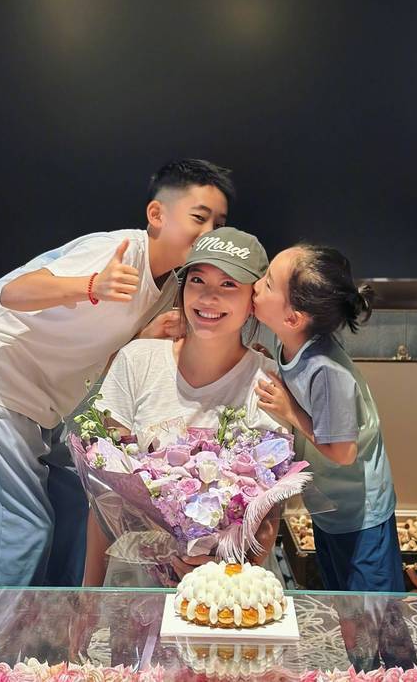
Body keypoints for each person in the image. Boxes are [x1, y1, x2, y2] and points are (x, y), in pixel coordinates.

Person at [0, 159, 234, 587]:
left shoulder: (172, 284)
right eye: (199, 218)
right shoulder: (118, 251)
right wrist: (93, 285)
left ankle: (54, 622)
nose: (210, 233)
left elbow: (110, 359)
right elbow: (13, 292)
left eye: (218, 223)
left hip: (45, 400)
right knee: (15, 533)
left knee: (77, 505)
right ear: (156, 214)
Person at [83, 227, 289, 588]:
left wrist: (219, 570)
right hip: (137, 585)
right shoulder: (137, 361)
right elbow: (105, 494)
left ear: (252, 300)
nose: (209, 297)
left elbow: (269, 515)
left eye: (229, 285)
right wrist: (89, 591)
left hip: (230, 589)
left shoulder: (267, 382)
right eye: (197, 280)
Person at [252, 244, 405, 591]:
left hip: (360, 516)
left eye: (268, 283)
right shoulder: (291, 341)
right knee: (344, 601)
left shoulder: (326, 371)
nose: (256, 285)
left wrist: (290, 410)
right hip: (332, 508)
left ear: (293, 318)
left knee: (374, 610)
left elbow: (343, 452)